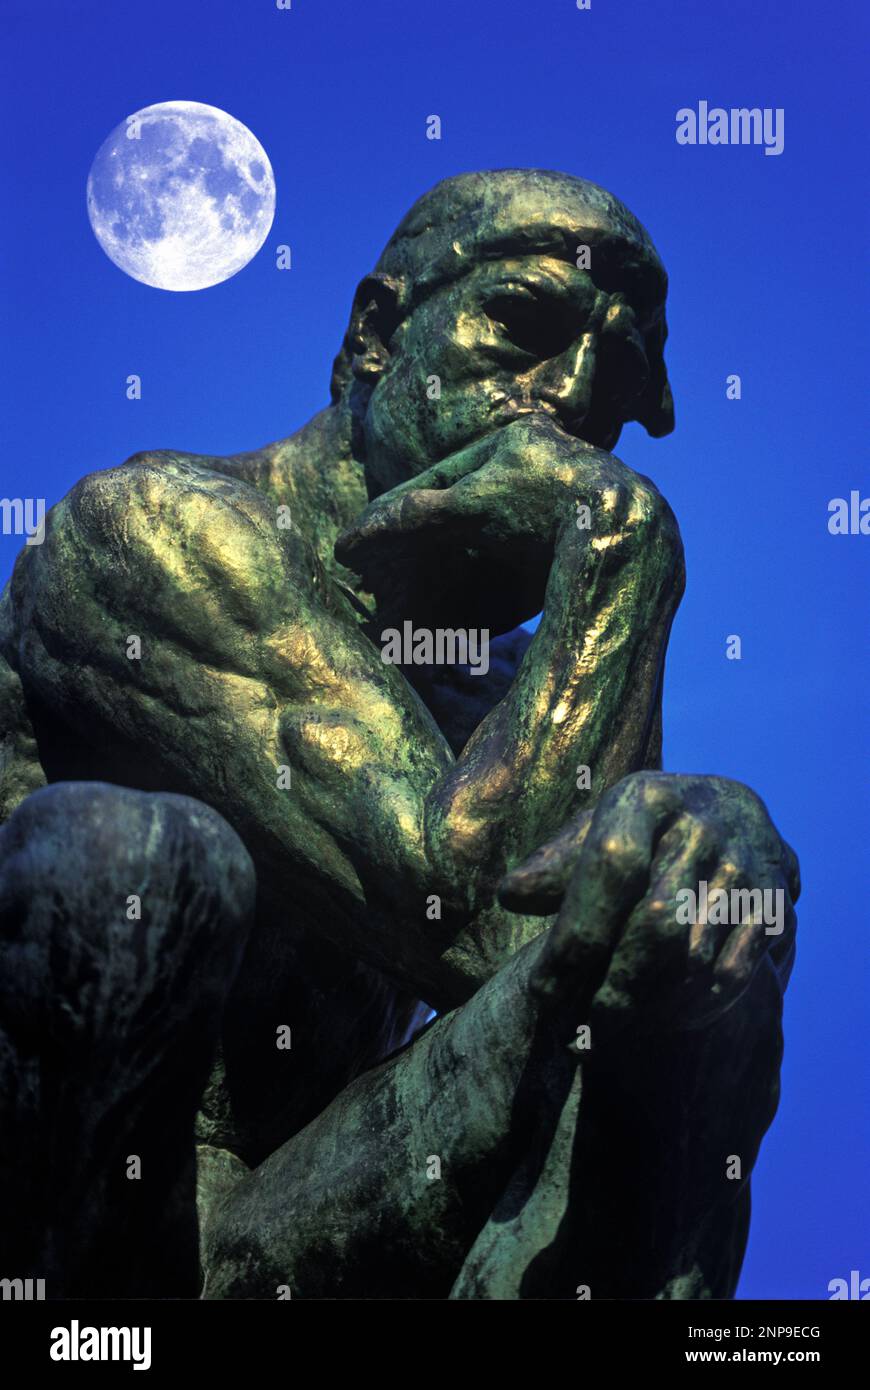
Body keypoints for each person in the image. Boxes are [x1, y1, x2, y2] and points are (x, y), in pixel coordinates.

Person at [0, 170, 798, 1298]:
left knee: (699, 891)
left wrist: (689, 863)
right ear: (378, 333)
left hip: (281, 1230)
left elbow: (567, 959)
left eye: (615, 375)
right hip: (85, 1236)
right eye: (522, 327)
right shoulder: (160, 535)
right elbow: (473, 922)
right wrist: (622, 546)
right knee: (142, 857)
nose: (567, 397)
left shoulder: (520, 685)